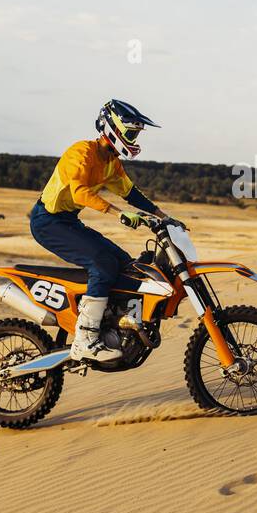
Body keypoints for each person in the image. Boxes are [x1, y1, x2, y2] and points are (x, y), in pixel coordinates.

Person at [29, 99, 180, 362]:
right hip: (47, 222)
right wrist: (118, 214)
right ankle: (85, 339)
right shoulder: (81, 153)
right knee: (102, 264)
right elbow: (80, 192)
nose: (133, 139)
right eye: (131, 133)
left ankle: (114, 322)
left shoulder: (111, 162)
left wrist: (163, 217)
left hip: (68, 222)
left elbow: (131, 193)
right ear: (113, 129)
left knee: (125, 264)